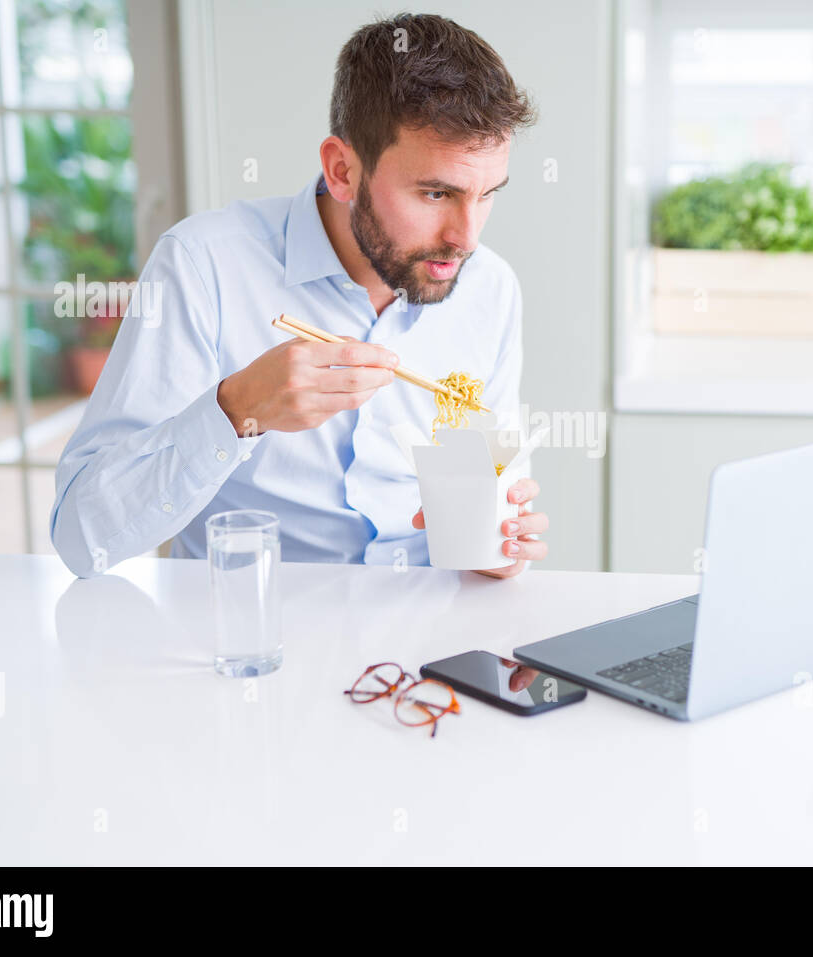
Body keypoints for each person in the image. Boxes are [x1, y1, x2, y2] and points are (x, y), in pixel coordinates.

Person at [50, 13, 548, 580]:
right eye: (436, 193)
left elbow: (501, 493)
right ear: (342, 170)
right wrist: (235, 411)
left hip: (425, 641)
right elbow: (79, 536)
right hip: (253, 635)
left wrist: (500, 551)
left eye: (487, 195)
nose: (467, 237)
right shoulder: (204, 264)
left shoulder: (490, 288)